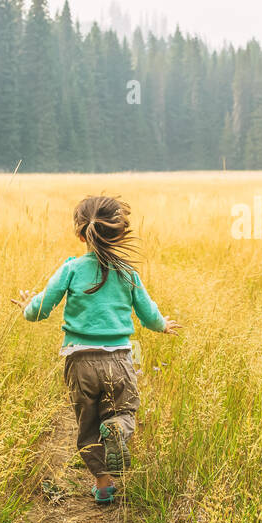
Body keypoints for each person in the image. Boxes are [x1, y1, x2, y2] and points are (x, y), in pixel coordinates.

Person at [17, 195, 179, 504]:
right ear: (118, 233)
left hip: (79, 361)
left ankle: (103, 484)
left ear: (80, 234)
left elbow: (40, 309)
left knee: (88, 425)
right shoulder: (128, 273)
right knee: (124, 411)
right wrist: (163, 325)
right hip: (118, 359)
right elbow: (148, 314)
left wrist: (27, 307)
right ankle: (117, 428)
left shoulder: (71, 269)